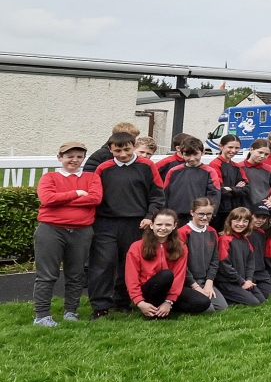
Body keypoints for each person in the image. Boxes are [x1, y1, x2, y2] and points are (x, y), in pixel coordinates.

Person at [86, 132, 163, 319]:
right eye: (117, 151)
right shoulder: (103, 168)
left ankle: (123, 301)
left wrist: (150, 216)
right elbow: (95, 195)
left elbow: (157, 195)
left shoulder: (147, 166)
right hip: (106, 223)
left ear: (134, 146)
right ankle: (100, 305)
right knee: (102, 264)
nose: (123, 154)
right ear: (110, 150)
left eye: (127, 149)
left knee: (128, 265)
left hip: (136, 223)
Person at [32, 140, 99, 327]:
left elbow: (95, 199)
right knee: (46, 275)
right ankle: (42, 315)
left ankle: (71, 311)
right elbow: (47, 199)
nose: (74, 160)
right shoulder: (49, 178)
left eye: (79, 157)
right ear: (60, 157)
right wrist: (77, 193)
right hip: (51, 230)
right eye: (70, 156)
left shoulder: (92, 178)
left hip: (81, 231)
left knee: (76, 274)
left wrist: (61, 200)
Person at [125, 209, 212, 318]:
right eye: (159, 224)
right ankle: (152, 311)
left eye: (168, 225)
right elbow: (131, 278)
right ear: (151, 225)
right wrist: (139, 302)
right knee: (166, 274)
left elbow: (179, 276)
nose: (163, 228)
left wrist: (169, 301)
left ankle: (163, 308)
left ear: (174, 226)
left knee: (203, 302)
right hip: (148, 289)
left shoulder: (181, 246)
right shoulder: (136, 247)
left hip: (169, 289)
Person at [215, 208, 267, 306]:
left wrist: (249, 279)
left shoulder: (245, 239)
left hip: (243, 280)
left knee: (261, 300)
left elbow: (250, 262)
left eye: (245, 221)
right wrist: (241, 282)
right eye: (237, 220)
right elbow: (224, 266)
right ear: (230, 221)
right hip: (227, 282)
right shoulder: (224, 239)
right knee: (254, 302)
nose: (241, 224)